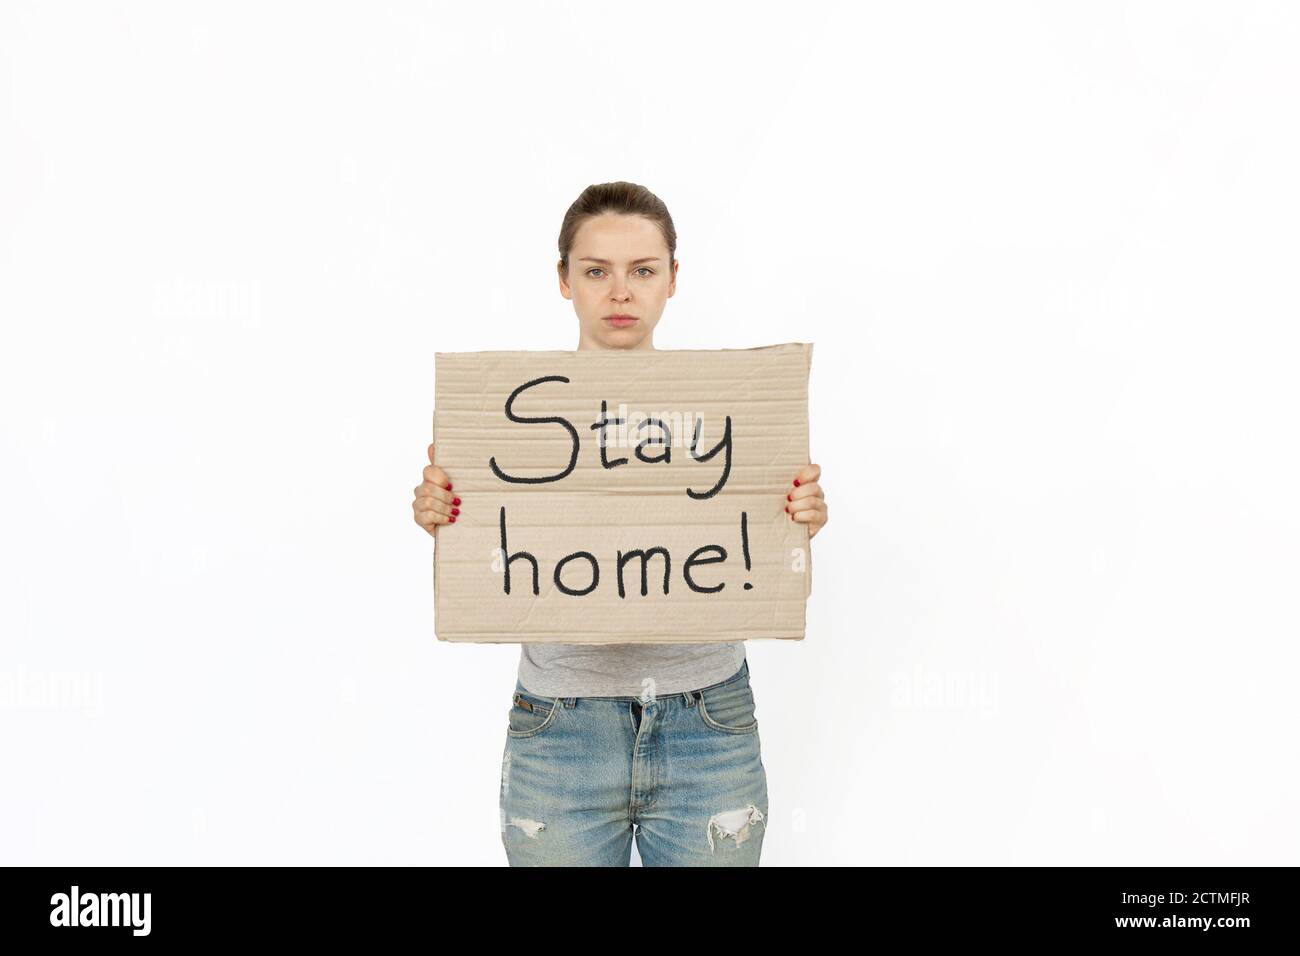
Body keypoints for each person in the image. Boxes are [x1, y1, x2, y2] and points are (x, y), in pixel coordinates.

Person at [411, 182, 828, 865]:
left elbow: (759, 535)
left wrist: (800, 517)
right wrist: (446, 513)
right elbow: (489, 537)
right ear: (564, 280)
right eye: (596, 271)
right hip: (560, 728)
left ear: (672, 280)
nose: (620, 292)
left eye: (643, 271)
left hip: (707, 724)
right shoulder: (512, 425)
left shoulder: (731, 419)